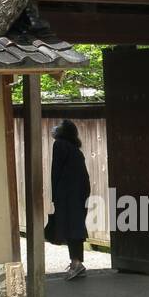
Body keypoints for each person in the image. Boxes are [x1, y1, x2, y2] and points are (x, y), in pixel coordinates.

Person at [45, 119, 90, 280]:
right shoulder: (76, 150)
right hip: (79, 193)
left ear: (64, 131)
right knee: (76, 228)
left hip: (66, 193)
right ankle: (76, 262)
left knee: (70, 228)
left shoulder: (60, 145)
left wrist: (55, 195)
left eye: (59, 126)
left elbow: (55, 171)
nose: (55, 128)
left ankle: (76, 264)